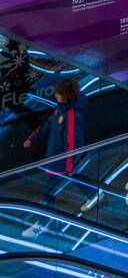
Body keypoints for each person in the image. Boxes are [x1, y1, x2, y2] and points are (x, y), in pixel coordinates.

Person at [22, 79, 88, 232]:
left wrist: (69, 165)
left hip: (61, 162)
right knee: (73, 179)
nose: (56, 96)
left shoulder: (71, 116)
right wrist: (32, 139)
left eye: (58, 94)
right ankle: (94, 194)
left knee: (49, 191)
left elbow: (73, 143)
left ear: (65, 96)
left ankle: (43, 223)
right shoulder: (59, 110)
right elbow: (46, 127)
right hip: (56, 159)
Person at [0, 37, 42, 133]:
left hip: (8, 89)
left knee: (19, 109)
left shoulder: (9, 52)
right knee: (20, 109)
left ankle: (39, 129)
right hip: (15, 88)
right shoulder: (22, 50)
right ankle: (39, 129)